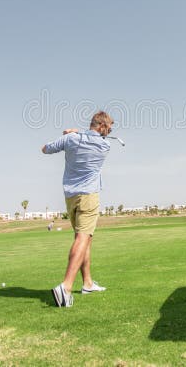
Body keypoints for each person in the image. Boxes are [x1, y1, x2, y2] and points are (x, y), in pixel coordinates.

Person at [42, 111, 113, 308]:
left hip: (70, 197)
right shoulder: (105, 145)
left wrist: (71, 135)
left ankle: (88, 283)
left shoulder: (71, 139)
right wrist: (76, 133)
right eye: (108, 128)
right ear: (100, 126)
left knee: (84, 237)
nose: (109, 132)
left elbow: (45, 149)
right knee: (83, 238)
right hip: (89, 196)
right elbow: (92, 138)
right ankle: (65, 286)